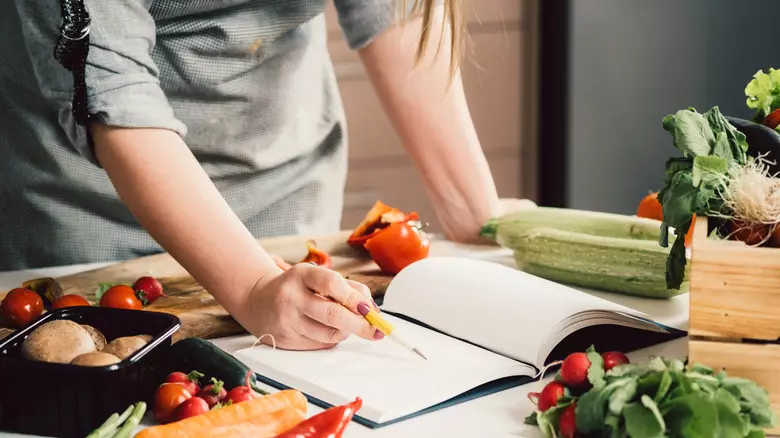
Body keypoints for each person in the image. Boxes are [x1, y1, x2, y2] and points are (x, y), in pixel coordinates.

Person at [0, 0, 534, 350]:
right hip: (87, 216)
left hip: (288, 198)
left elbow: (398, 10)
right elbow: (114, 92)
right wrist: (254, 287)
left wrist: (473, 210)